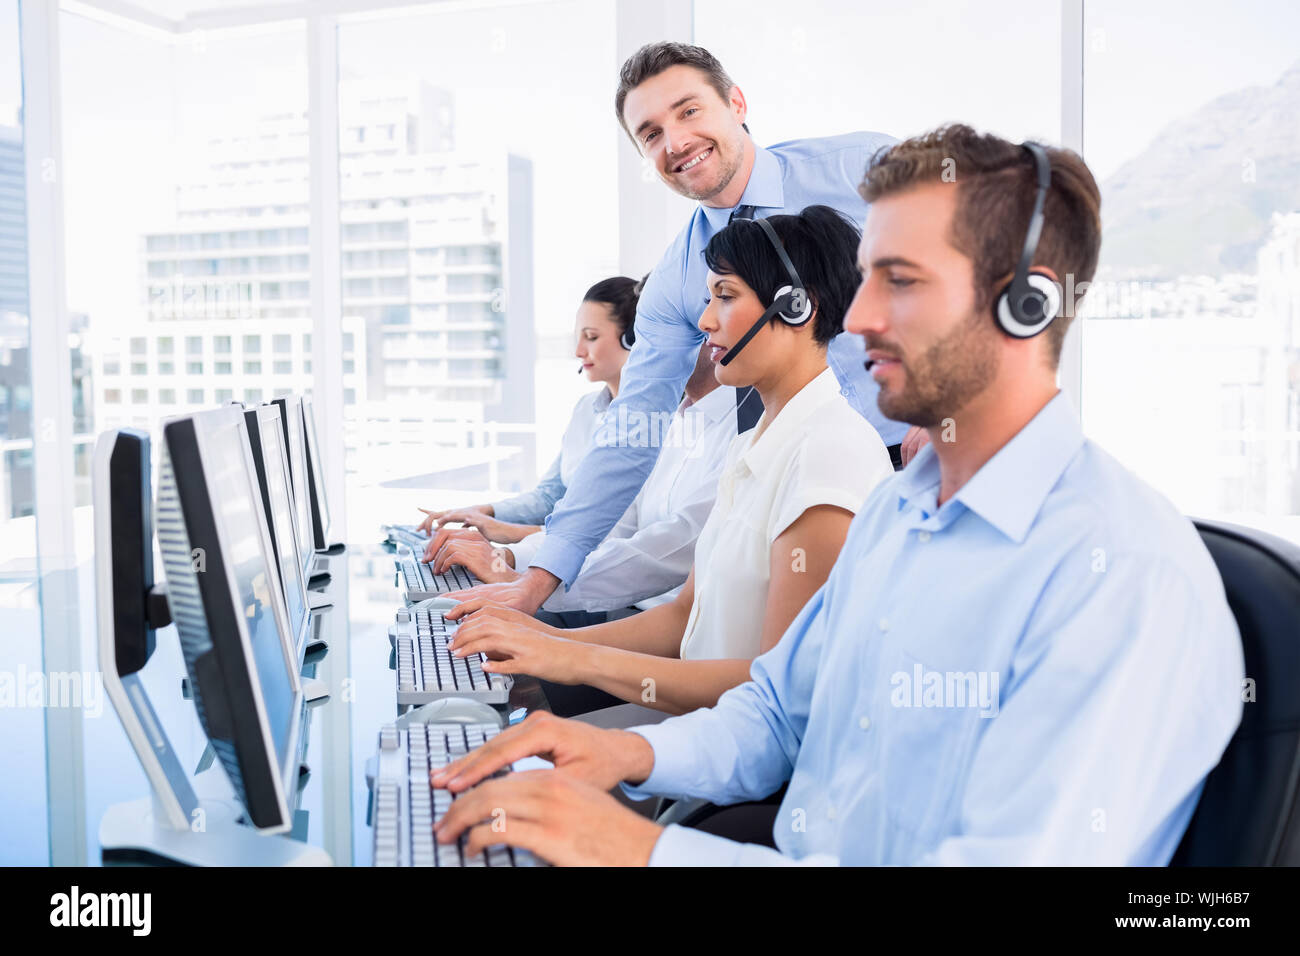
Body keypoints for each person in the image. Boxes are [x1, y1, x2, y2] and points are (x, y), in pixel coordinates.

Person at [426, 125, 1245, 866]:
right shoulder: (898, 512)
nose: (855, 318)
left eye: (901, 281)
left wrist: (641, 852)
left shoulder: (1122, 578)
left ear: (1024, 304)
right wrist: (623, 755)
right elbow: (777, 710)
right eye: (862, 281)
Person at [443, 42, 915, 617]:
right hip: (794, 485)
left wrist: (952, 410)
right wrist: (539, 579)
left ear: (736, 102)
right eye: (650, 133)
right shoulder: (676, 278)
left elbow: (988, 259)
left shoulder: (859, 168)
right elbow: (632, 428)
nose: (676, 142)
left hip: (926, 457)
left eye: (689, 111)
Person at [443, 206, 893, 720]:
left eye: (724, 297)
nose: (704, 322)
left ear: (794, 308)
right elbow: (683, 617)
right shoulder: (756, 444)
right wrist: (540, 640)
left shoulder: (828, 454)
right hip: (700, 725)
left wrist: (567, 657)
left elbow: (780, 690)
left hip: (750, 766)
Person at [422, 341, 745, 626]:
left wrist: (536, 582)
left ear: (706, 334)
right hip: (623, 607)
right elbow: (607, 525)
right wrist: (512, 560)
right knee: (462, 627)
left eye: (656, 331)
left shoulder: (742, 430)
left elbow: (673, 545)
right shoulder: (668, 424)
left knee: (507, 659)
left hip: (658, 623)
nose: (641, 350)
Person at [414, 276, 638, 550]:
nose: (579, 351)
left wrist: (506, 531)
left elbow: (612, 533)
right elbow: (550, 496)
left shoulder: (649, 424)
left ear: (632, 339)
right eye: (578, 337)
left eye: (591, 337)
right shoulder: (585, 410)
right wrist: (481, 512)